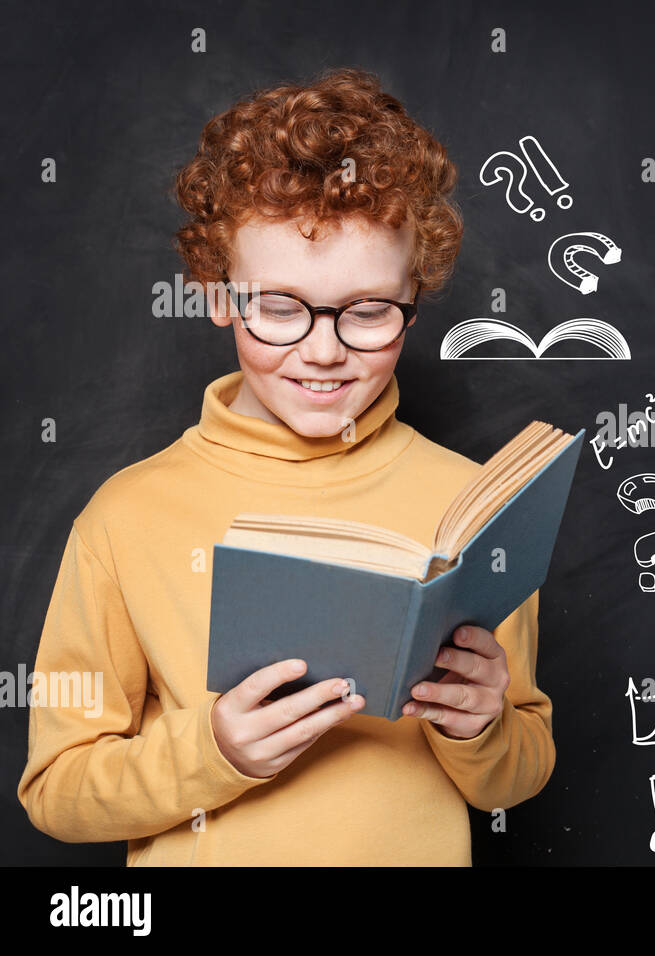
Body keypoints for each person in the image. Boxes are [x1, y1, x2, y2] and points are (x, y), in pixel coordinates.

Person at [17, 68, 556, 865]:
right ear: (216, 294)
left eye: (369, 310)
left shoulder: (471, 508)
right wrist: (213, 754)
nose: (324, 349)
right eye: (278, 307)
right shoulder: (125, 515)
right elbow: (56, 791)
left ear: (415, 294)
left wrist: (481, 728)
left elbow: (516, 776)